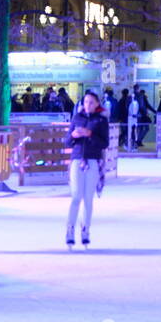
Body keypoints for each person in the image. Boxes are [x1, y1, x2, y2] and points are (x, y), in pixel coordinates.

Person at [64, 90, 109, 248]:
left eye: (91, 102)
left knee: (88, 199)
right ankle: (70, 229)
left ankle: (85, 230)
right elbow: (67, 142)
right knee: (76, 196)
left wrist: (90, 134)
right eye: (85, 102)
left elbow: (104, 143)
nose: (88, 105)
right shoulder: (77, 118)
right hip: (77, 160)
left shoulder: (101, 121)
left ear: (97, 104)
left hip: (93, 160)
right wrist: (74, 136)